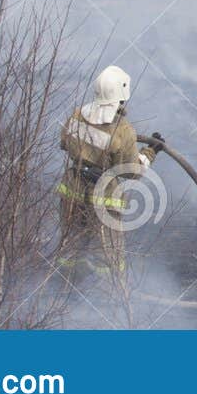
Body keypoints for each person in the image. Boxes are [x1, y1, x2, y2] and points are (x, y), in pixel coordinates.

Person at [57, 64, 162, 282]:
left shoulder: (77, 116)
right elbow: (132, 172)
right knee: (108, 255)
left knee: (71, 246)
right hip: (103, 199)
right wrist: (151, 151)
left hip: (72, 190)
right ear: (122, 96)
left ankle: (66, 289)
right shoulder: (123, 130)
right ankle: (110, 296)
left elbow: (64, 144)